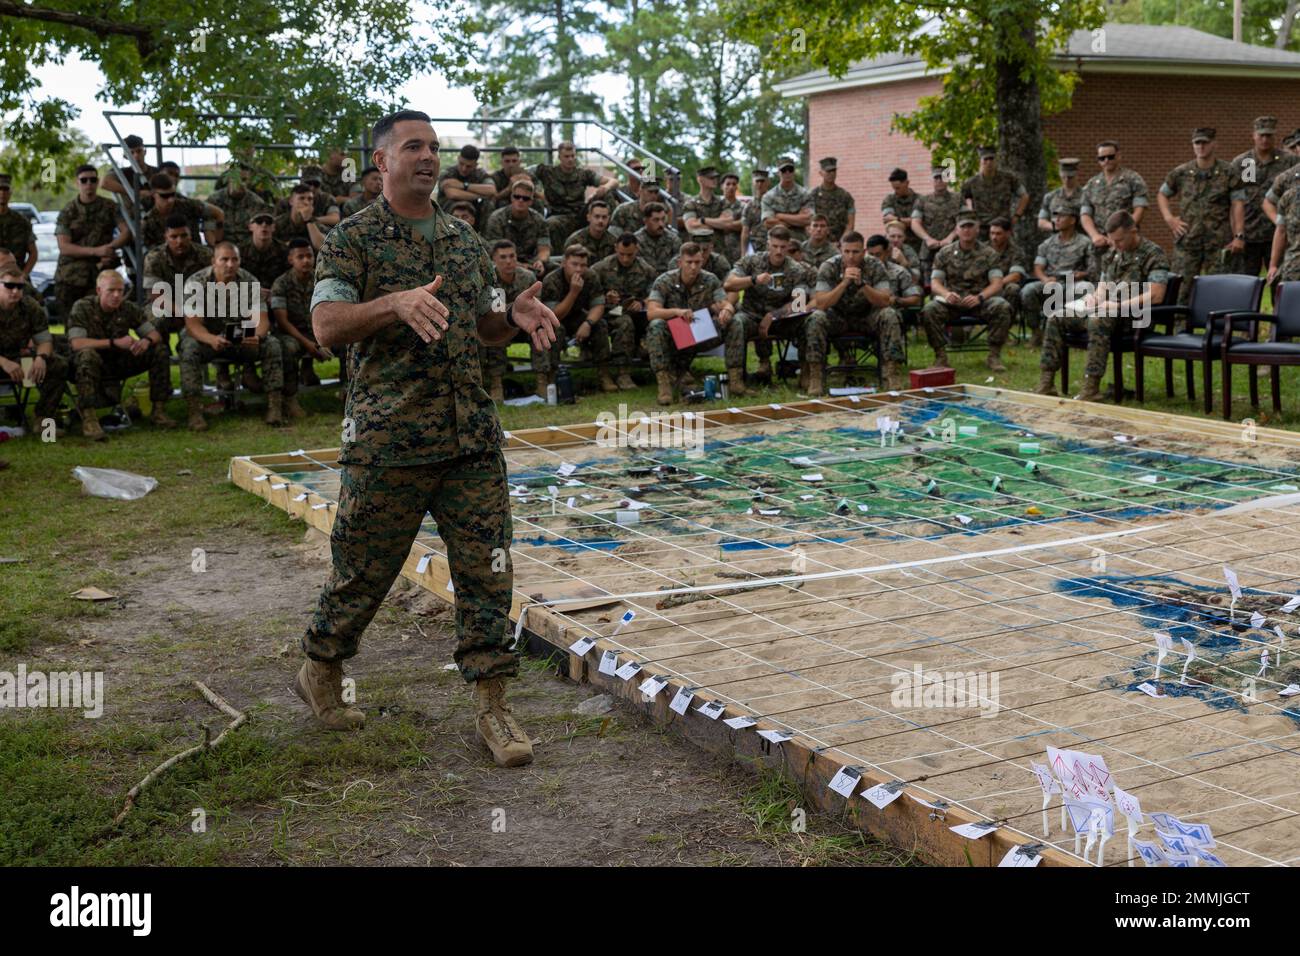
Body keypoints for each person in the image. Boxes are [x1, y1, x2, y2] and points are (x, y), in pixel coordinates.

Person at [304, 110, 561, 766]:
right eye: (412, 146)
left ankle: (494, 705)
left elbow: (484, 326)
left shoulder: (463, 240)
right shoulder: (351, 241)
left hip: (469, 436)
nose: (427, 156)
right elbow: (328, 326)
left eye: (434, 147)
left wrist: (514, 315)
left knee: (486, 569)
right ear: (382, 162)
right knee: (362, 570)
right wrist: (393, 302)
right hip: (388, 439)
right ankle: (323, 668)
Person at [1035, 210, 1168, 402]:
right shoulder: (1113, 253)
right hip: (1106, 309)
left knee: (1098, 320)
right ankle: (1046, 383)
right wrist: (1094, 299)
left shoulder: (1153, 253)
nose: (1115, 245)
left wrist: (1116, 305)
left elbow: (1156, 295)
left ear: (1133, 231)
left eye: (1119, 240)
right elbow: (1104, 286)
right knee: (1056, 316)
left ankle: (1091, 387)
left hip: (1134, 317)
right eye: (1112, 240)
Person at [178, 243, 285, 430]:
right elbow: (193, 325)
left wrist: (256, 336)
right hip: (208, 336)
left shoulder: (249, 281)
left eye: (234, 259)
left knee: (272, 344)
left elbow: (261, 319)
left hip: (239, 335)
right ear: (214, 262)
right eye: (224, 259)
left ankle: (274, 406)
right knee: (189, 347)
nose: (230, 264)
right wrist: (211, 339)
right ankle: (194, 411)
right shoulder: (197, 282)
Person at [67, 269, 176, 438]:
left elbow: (154, 334)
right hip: (89, 365)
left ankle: (159, 410)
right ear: (99, 291)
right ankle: (89, 419)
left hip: (119, 362)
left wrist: (145, 341)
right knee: (87, 354)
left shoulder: (127, 308)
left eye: (120, 291)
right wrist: (113, 342)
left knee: (159, 349)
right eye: (111, 290)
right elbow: (77, 343)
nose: (117, 295)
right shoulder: (83, 307)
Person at [806, 232, 906, 393]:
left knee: (889, 314)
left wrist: (863, 285)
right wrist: (844, 282)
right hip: (837, 317)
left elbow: (885, 300)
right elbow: (821, 303)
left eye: (856, 252)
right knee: (816, 317)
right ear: (840, 250)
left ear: (864, 251)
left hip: (866, 316)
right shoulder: (829, 266)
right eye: (847, 251)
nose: (851, 256)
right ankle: (815, 376)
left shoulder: (875, 265)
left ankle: (892, 373)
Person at [1157, 127, 1246, 305]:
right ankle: (1180, 329)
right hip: (1188, 241)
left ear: (1215, 144)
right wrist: (1170, 219)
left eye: (1205, 142)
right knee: (1182, 289)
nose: (1201, 146)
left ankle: (1218, 329)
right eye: (1197, 143)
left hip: (1218, 241)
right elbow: (1162, 194)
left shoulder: (1229, 172)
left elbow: (1238, 205)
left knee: (1219, 289)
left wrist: (1239, 235)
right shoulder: (1181, 173)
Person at [920, 211, 1012, 370]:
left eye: (971, 226)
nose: (967, 230)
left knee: (1002, 306)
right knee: (929, 309)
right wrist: (946, 294)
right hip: (953, 303)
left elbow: (997, 284)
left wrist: (980, 297)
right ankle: (941, 357)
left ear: (977, 229)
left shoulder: (989, 253)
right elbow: (935, 283)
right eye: (963, 227)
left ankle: (994, 356)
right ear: (956, 230)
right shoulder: (944, 253)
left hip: (979, 302)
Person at [723, 225, 816, 383]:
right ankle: (735, 379)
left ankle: (808, 372)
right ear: (768, 245)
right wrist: (754, 279)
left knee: (810, 319)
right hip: (751, 315)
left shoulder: (796, 269)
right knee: (736, 322)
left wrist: (774, 315)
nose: (779, 251)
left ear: (788, 247)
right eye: (775, 246)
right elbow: (729, 284)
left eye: (783, 247)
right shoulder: (752, 261)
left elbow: (799, 302)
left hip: (781, 320)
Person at [645, 242, 735, 404]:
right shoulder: (665, 280)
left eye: (697, 262)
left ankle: (736, 379)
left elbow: (724, 302)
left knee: (734, 321)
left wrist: (727, 310)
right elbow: (652, 312)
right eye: (689, 262)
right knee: (656, 325)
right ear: (680, 262)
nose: (693, 267)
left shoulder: (710, 279)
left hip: (699, 331)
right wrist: (676, 312)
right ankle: (664, 383)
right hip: (673, 333)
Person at [539, 245, 616, 395]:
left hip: (578, 316)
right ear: (564, 263)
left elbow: (598, 305)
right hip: (557, 318)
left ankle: (604, 374)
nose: (579, 269)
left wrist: (588, 323)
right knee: (554, 329)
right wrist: (573, 292)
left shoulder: (590, 276)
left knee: (599, 325)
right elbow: (554, 315)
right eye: (574, 264)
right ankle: (551, 376)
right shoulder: (552, 280)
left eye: (583, 265)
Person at [54, 165, 130, 318]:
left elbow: (126, 232)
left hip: (102, 274)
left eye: (93, 180)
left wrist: (109, 248)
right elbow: (64, 247)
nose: (89, 184)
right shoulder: (68, 211)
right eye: (84, 180)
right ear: (77, 183)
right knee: (73, 322)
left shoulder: (110, 206)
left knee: (103, 320)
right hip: (71, 277)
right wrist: (96, 251)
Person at [1020, 200, 1098, 348]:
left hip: (1073, 283)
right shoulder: (1047, 244)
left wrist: (1081, 274)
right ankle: (1037, 332)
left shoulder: (1085, 243)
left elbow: (1092, 270)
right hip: (1052, 282)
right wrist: (1045, 279)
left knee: (1086, 288)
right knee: (1028, 291)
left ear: (1073, 220)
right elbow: (1038, 267)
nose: (1057, 219)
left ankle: (1078, 332)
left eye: (1062, 216)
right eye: (1055, 216)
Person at [0, 266, 68, 431]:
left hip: (18, 362)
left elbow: (44, 340)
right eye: (9, 286)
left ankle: (43, 420)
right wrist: (4, 362)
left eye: (20, 287)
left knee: (58, 365)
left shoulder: (29, 306)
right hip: (5, 363)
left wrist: (41, 358)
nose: (15, 291)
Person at [1231, 117, 1297, 277]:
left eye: (1269, 135)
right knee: (1245, 283)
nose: (1265, 139)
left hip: (1277, 235)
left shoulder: (1289, 161)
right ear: (1253, 135)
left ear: (1274, 136)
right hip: (1248, 234)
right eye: (1261, 135)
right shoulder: (1242, 162)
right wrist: (1236, 235)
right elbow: (1234, 201)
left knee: (1278, 282)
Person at [592, 233, 657, 385]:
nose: (626, 259)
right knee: (625, 322)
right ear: (615, 248)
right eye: (621, 254)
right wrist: (604, 297)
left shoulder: (646, 270)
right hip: (607, 313)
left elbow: (655, 294)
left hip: (636, 314)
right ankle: (623, 372)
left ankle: (642, 352)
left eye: (630, 254)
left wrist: (641, 302)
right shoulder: (602, 268)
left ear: (637, 250)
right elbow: (589, 290)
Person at [270, 238, 323, 417]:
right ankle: (290, 399)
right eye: (300, 257)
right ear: (290, 260)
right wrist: (309, 344)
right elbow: (283, 322)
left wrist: (326, 338)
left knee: (349, 341)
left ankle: (349, 391)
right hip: (292, 333)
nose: (306, 260)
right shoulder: (281, 284)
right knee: (289, 348)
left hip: (318, 330)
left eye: (309, 255)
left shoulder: (322, 279)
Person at [532, 141, 617, 250]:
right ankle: (559, 257)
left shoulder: (583, 174)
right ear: (559, 157)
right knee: (550, 224)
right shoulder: (547, 171)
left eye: (573, 156)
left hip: (580, 214)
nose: (570, 159)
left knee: (607, 194)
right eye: (566, 156)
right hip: (559, 214)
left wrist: (605, 188)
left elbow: (613, 181)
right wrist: (538, 194)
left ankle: (610, 234)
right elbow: (521, 176)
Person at [482, 240, 538, 400]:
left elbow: (535, 307)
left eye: (512, 256)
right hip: (500, 325)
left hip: (525, 325)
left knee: (540, 329)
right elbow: (491, 314)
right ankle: (496, 383)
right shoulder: (488, 280)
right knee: (494, 333)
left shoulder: (528, 278)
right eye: (503, 257)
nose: (508, 261)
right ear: (494, 260)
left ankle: (543, 379)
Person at [1080, 141, 1148, 251]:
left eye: (1110, 157)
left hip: (1125, 243)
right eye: (1102, 158)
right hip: (1100, 245)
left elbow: (1140, 210)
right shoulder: (1091, 184)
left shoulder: (1133, 179)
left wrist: (1123, 233)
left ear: (1119, 156)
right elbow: (1085, 214)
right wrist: (1094, 235)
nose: (1106, 160)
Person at [484, 180, 551, 274]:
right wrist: (518, 265)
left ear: (531, 201)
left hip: (530, 261)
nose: (520, 200)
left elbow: (544, 248)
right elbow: (495, 251)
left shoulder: (539, 220)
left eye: (525, 198)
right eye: (517, 197)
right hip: (504, 260)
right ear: (511, 198)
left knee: (554, 267)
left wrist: (540, 261)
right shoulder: (497, 218)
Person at [961, 146, 1028, 238]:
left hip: (1003, 227)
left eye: (991, 159)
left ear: (996, 161)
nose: (989, 162)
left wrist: (1016, 216)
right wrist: (970, 214)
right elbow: (961, 201)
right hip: (982, 229)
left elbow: (1024, 196)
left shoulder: (1008, 179)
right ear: (980, 161)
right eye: (985, 159)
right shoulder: (971, 183)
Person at [911, 166, 961, 286]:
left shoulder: (958, 199)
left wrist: (950, 238)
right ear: (932, 180)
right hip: (929, 251)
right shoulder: (922, 200)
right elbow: (915, 223)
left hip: (953, 249)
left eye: (942, 178)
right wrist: (927, 239)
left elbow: (963, 222)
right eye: (936, 178)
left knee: (953, 284)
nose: (939, 181)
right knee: (929, 285)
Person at [761, 157, 813, 245]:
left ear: (794, 171)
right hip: (776, 244)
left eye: (790, 169)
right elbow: (768, 222)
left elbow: (808, 219)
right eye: (784, 170)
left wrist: (780, 216)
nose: (787, 173)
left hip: (799, 244)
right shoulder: (769, 196)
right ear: (778, 173)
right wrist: (796, 220)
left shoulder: (804, 194)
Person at [0, 173, 36, 276]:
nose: (2, 193)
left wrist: (23, 275)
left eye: (5, 189)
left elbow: (33, 253)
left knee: (34, 293)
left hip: (16, 277)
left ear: (10, 192)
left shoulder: (21, 221)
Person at [1037, 158, 1084, 233]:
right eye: (1064, 177)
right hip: (1057, 240)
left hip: (1081, 240)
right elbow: (1041, 221)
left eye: (1070, 177)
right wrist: (1057, 227)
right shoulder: (1050, 196)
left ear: (1077, 174)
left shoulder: (1086, 196)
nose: (1066, 180)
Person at [739, 168, 770, 255]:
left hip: (773, 246)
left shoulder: (774, 202)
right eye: (757, 181)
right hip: (756, 247)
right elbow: (745, 231)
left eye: (762, 181)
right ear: (753, 183)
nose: (760, 184)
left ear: (768, 182)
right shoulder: (749, 206)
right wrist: (743, 253)